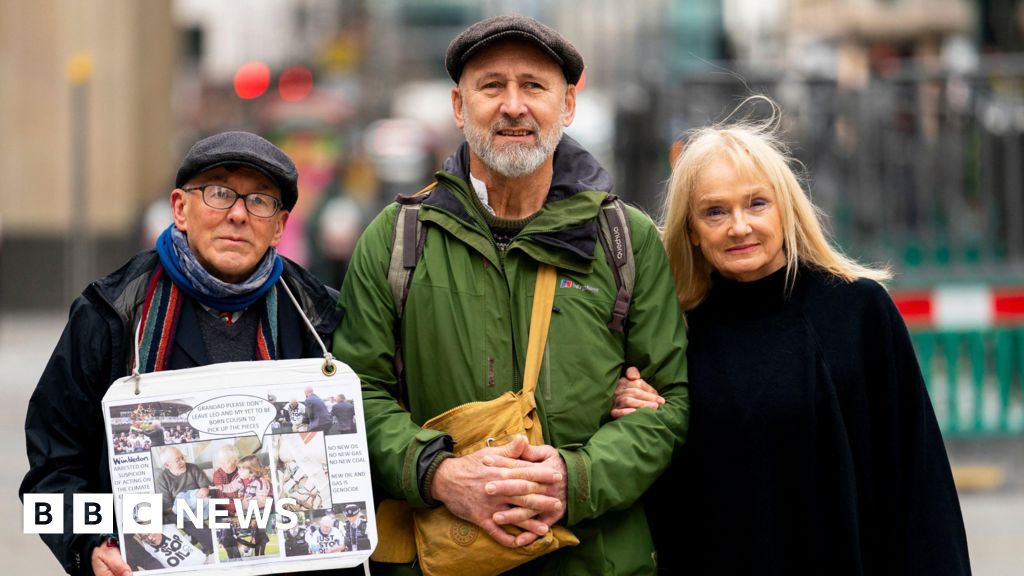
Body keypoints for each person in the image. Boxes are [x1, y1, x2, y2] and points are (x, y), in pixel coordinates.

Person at [335, 15, 689, 574]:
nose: (513, 106)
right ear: (459, 106)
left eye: (534, 86)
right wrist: (441, 476)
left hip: (592, 558)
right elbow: (357, 394)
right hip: (441, 554)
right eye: (492, 85)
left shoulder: (627, 240)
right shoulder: (396, 238)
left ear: (567, 106)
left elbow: (670, 405)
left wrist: (576, 479)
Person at [612, 98, 971, 574]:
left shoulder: (858, 310)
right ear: (692, 231)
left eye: (756, 203)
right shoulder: (672, 330)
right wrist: (628, 407)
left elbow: (917, 477)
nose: (740, 226)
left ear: (786, 209)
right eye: (715, 212)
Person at [20, 131, 343, 576]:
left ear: (280, 227)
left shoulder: (320, 320)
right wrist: (89, 547)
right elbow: (48, 477)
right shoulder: (111, 314)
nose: (237, 214)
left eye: (259, 201)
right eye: (218, 193)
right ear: (179, 208)